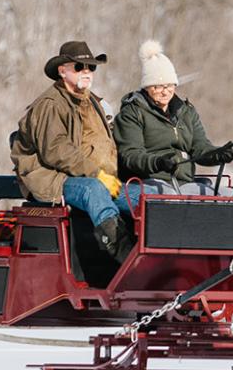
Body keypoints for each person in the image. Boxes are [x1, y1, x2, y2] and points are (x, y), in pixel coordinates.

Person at [10, 40, 138, 258]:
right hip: (53, 179)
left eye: (91, 67)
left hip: (94, 176)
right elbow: (57, 151)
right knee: (93, 191)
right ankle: (123, 253)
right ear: (62, 71)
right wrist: (98, 174)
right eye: (79, 67)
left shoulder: (92, 101)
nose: (86, 72)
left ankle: (160, 252)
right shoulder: (51, 104)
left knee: (144, 195)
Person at [114, 40, 233, 194]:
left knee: (230, 195)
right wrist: (158, 162)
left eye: (169, 85)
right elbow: (130, 155)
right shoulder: (133, 112)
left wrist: (218, 154)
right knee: (170, 196)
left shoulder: (187, 112)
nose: (165, 91)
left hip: (184, 182)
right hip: (149, 181)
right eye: (158, 86)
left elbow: (200, 148)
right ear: (147, 87)